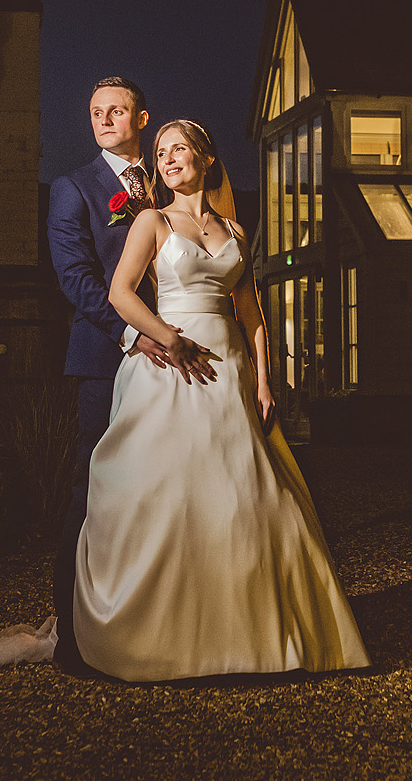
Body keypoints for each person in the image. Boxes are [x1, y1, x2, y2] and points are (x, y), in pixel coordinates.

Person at [72, 119, 370, 680]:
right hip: (170, 368)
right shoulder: (152, 221)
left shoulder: (235, 229)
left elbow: (250, 312)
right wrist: (168, 339)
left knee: (241, 494)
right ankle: (164, 636)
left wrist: (264, 380)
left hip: (229, 369)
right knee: (170, 492)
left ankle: (253, 634)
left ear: (206, 158)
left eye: (179, 149)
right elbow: (119, 293)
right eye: (161, 152)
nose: (167, 159)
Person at [46, 77, 217, 676]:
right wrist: (134, 333)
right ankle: (73, 633)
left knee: (169, 490)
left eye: (116, 110)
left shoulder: (170, 179)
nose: (103, 119)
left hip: (181, 358)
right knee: (96, 486)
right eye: (96, 111)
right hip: (107, 356)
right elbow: (76, 278)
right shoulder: (74, 188)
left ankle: (162, 621)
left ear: (141, 119)